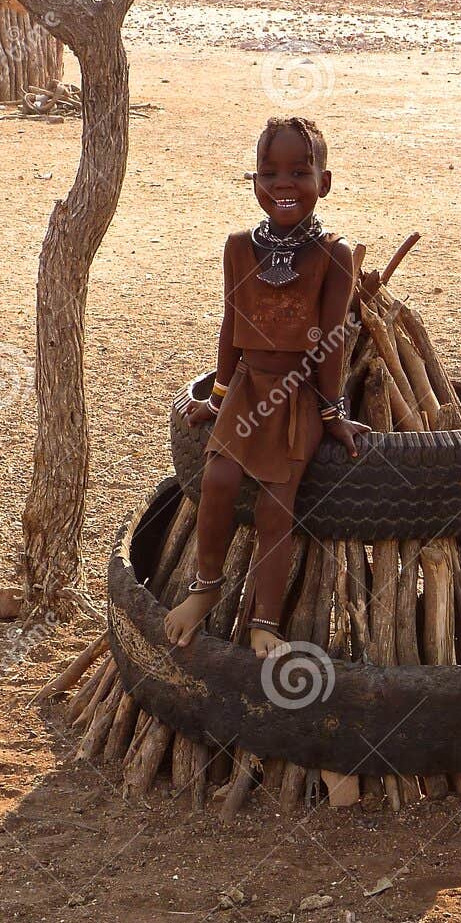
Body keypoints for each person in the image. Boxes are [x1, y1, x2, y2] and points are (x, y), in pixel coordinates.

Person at [164, 117, 366, 658]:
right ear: (253, 181)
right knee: (219, 478)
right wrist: (218, 397)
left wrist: (332, 412)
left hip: (298, 394)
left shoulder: (333, 254)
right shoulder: (238, 248)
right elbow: (230, 327)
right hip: (249, 389)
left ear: (324, 182)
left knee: (279, 506)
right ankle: (205, 590)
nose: (283, 184)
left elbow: (330, 343)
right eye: (270, 172)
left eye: (300, 171)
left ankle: (265, 622)